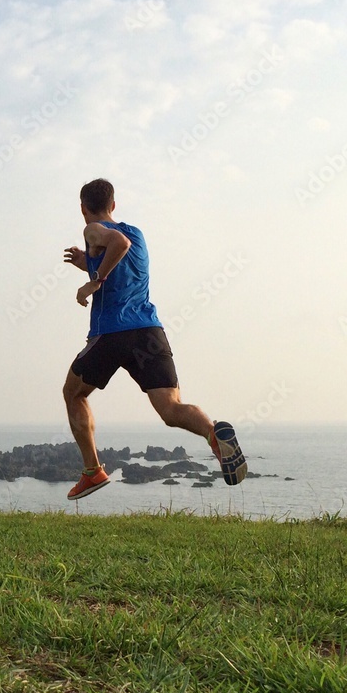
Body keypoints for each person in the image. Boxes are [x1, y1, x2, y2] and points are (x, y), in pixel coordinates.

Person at [62, 178, 246, 500]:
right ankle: (213, 434)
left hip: (112, 332)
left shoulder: (92, 230)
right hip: (149, 331)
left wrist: (94, 281)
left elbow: (118, 243)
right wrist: (88, 264)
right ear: (114, 204)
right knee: (171, 409)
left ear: (83, 208)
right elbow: (123, 259)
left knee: (73, 393)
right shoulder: (138, 233)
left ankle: (92, 471)